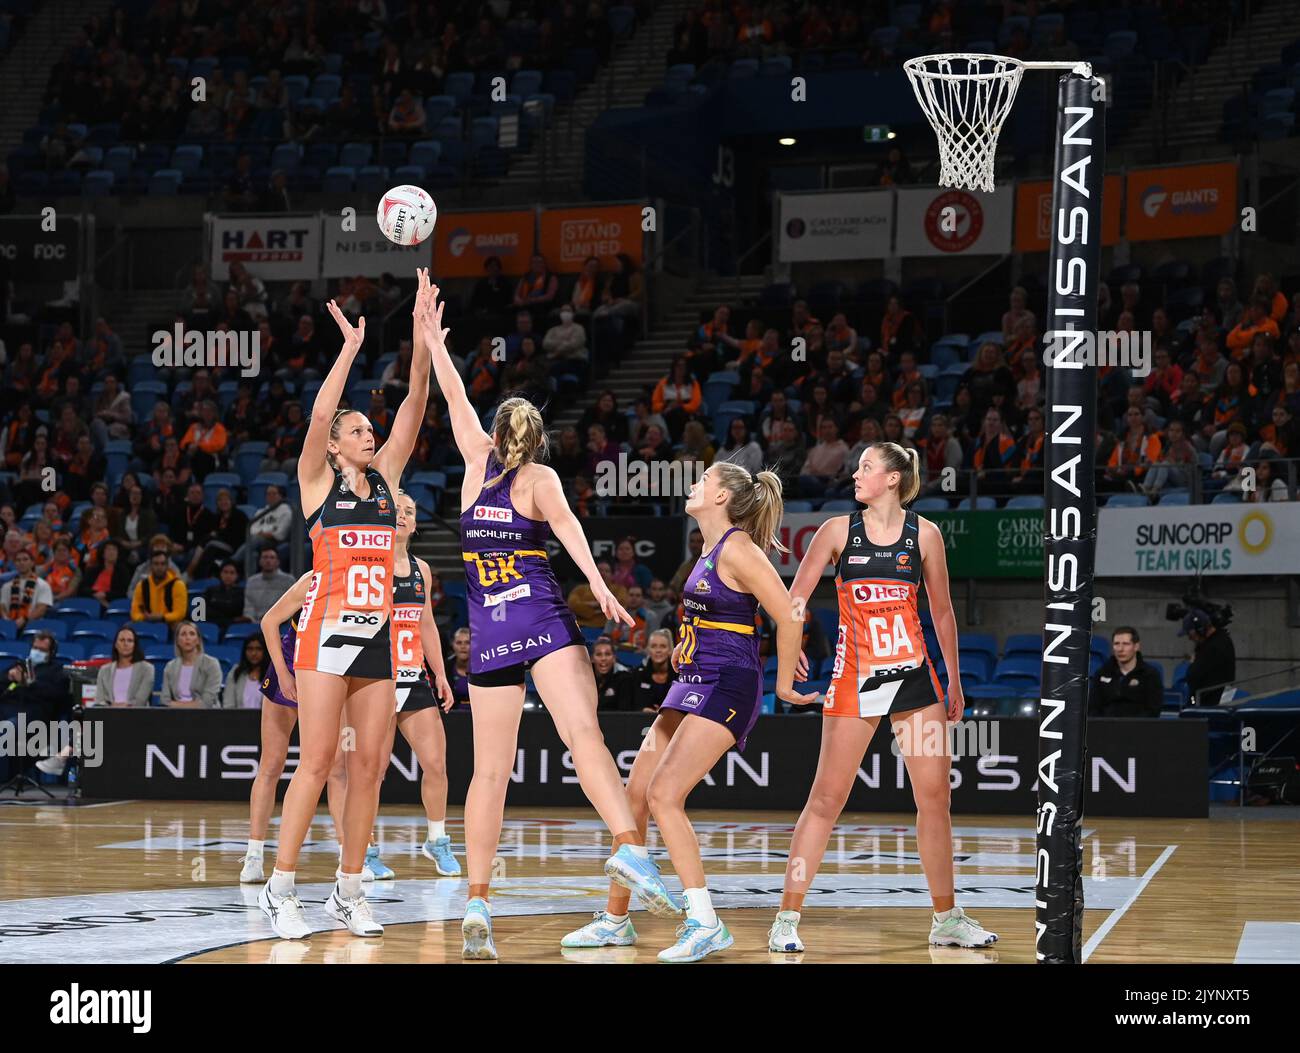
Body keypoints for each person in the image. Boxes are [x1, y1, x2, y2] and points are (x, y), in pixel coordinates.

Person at [418, 294, 679, 961]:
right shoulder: (490, 459)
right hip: (522, 623)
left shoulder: (527, 475)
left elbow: (573, 539)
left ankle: (487, 895)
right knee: (565, 739)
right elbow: (452, 393)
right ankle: (617, 852)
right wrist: (430, 337)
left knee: (496, 770)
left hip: (508, 625)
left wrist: (601, 589)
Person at [562, 461, 812, 962]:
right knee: (634, 794)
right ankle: (615, 920)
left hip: (729, 683)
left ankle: (705, 921)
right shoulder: (706, 549)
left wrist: (783, 683)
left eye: (704, 481)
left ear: (721, 498)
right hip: (694, 677)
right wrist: (684, 646)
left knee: (664, 794)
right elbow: (719, 615)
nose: (694, 486)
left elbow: (789, 613)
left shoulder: (740, 547)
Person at [258, 269, 434, 941]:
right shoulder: (314, 483)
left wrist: (422, 339)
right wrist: (350, 349)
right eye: (357, 429)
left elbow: (417, 400)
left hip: (379, 638)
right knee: (320, 758)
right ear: (336, 444)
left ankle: (349, 888)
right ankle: (281, 886)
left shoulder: (387, 482)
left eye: (370, 429)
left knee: (369, 767)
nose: (369, 434)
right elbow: (320, 413)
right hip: (324, 633)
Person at [769, 442, 997, 954]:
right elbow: (795, 600)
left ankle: (947, 918)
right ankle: (786, 917)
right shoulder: (835, 530)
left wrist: (954, 680)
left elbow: (942, 613)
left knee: (936, 799)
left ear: (893, 479)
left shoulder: (927, 535)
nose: (856, 474)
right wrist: (790, 652)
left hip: (916, 680)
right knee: (825, 800)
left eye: (866, 467)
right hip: (855, 677)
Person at [373, 490, 461, 876]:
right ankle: (365, 850)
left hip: (414, 677)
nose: (403, 516)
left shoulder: (422, 569)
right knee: (371, 771)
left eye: (409, 511)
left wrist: (441, 673)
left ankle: (437, 840)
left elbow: (426, 625)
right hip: (374, 677)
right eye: (396, 510)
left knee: (436, 763)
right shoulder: (370, 563)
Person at [240, 572, 348, 884]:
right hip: (290, 668)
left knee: (337, 769)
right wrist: (284, 676)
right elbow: (268, 622)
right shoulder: (315, 578)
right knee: (272, 764)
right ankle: (254, 855)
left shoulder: (364, 581)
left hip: (329, 673)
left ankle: (347, 855)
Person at [1089, 627, 1163, 718]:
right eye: (1116, 644)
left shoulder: (1150, 674)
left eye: (1126, 644)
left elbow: (1153, 711)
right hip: (1106, 728)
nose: (1120, 649)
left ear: (1136, 646)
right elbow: (1093, 709)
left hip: (1139, 729)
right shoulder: (1102, 673)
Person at [160, 621, 223, 707]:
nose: (187, 638)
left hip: (206, 716)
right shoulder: (170, 667)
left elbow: (207, 702)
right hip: (176, 715)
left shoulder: (211, 664)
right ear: (177, 641)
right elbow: (164, 700)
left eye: (192, 634)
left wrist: (176, 705)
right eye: (183, 634)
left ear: (198, 640)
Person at [1181, 609, 1236, 707]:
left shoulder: (1211, 647)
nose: (1189, 638)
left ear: (1200, 629)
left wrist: (1193, 661)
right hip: (1210, 698)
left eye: (1190, 633)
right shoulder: (1221, 639)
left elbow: (1192, 676)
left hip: (1209, 702)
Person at [92, 627, 156, 707]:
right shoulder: (104, 670)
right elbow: (99, 701)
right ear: (115, 644)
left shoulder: (147, 669)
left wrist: (121, 707)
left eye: (130, 640)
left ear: (135, 645)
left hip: (137, 716)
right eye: (122, 640)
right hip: (109, 716)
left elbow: (141, 701)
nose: (125, 644)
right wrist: (111, 707)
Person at [130, 549, 188, 631]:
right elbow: (134, 612)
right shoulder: (142, 585)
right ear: (151, 566)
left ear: (167, 566)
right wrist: (144, 618)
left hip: (169, 622)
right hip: (148, 621)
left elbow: (180, 613)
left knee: (180, 627)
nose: (159, 567)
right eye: (156, 564)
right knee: (127, 627)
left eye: (162, 564)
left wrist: (162, 617)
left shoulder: (178, 584)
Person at [1, 550, 52, 633]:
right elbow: (2, 606)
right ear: (15, 564)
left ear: (32, 563)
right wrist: (7, 620)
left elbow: (41, 608)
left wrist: (25, 619)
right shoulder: (7, 586)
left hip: (33, 627)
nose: (21, 563)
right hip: (10, 626)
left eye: (25, 559)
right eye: (18, 560)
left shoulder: (43, 585)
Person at [222, 634, 271, 709]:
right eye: (250, 649)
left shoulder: (271, 674)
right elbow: (228, 704)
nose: (253, 653)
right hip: (237, 719)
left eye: (258, 649)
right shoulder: (236, 672)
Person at [591, 636, 632, 710]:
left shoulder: (624, 678)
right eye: (599, 654)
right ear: (592, 659)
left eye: (607, 654)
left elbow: (625, 712)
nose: (603, 658)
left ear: (614, 658)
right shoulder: (584, 677)